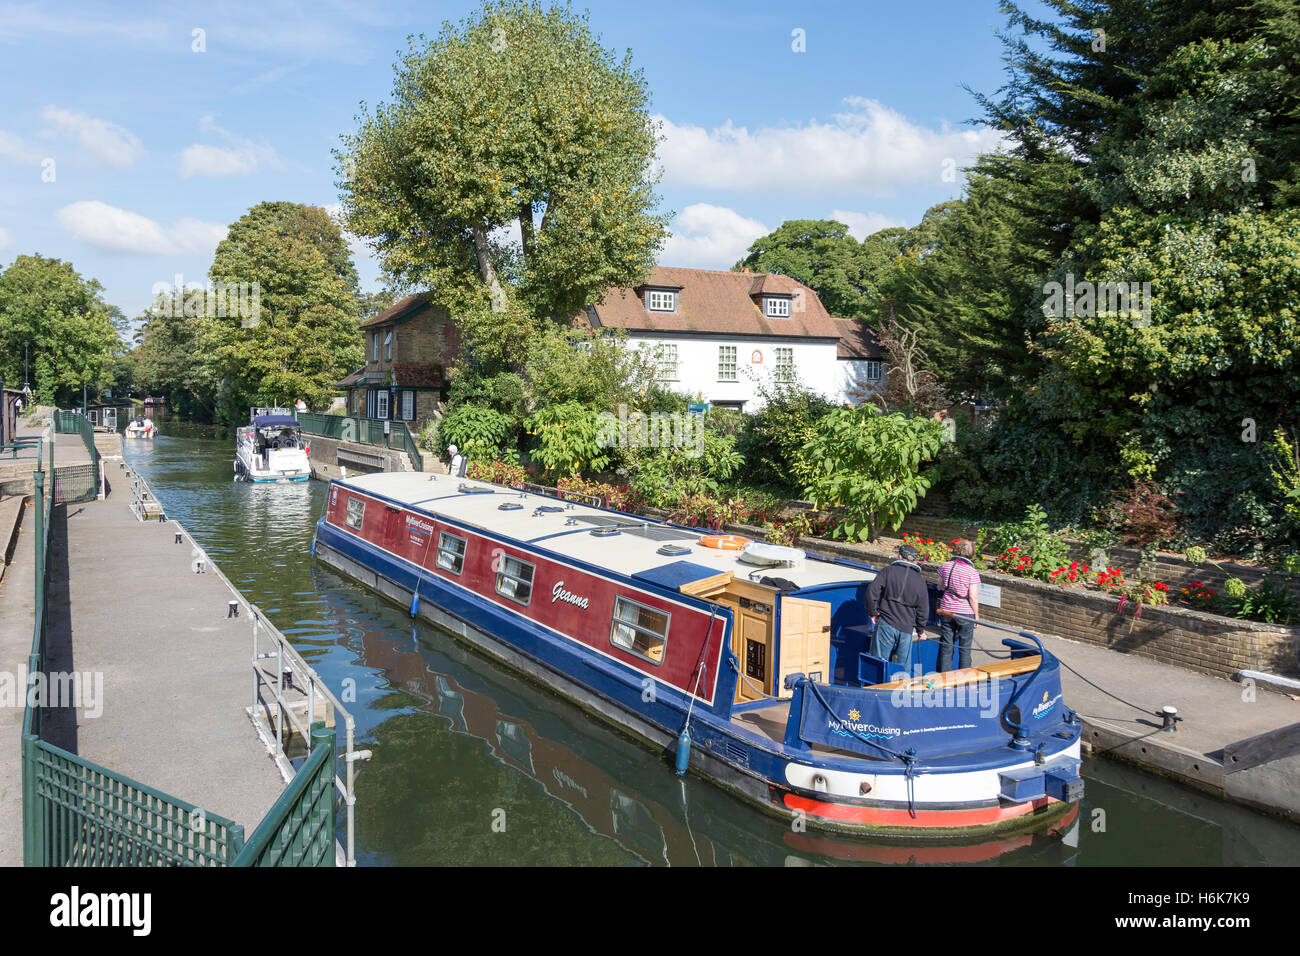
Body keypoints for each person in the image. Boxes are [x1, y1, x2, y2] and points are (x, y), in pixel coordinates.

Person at [865, 543, 930, 669]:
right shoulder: (920, 581)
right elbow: (923, 609)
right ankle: (900, 688)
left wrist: (873, 612)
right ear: (915, 560)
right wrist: (920, 630)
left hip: (886, 623)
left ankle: (876, 688)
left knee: (879, 663)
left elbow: (871, 592)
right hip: (907, 629)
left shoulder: (888, 571)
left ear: (900, 556)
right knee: (902, 668)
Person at [936, 539, 981, 672]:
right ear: (971, 553)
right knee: (965, 649)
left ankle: (945, 679)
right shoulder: (971, 572)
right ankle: (964, 681)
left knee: (946, 645)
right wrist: (976, 616)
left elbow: (941, 586)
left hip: (946, 610)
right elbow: (973, 596)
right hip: (965, 613)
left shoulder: (945, 566)